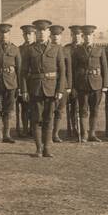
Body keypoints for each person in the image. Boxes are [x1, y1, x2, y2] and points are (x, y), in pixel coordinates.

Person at [20, 19, 63, 158]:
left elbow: (62, 71)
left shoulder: (57, 49)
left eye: (44, 31)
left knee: (49, 118)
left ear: (48, 33)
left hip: (51, 89)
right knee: (36, 119)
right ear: (36, 33)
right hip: (35, 88)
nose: (41, 34)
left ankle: (47, 148)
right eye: (39, 31)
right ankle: (38, 149)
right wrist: (24, 90)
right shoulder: (29, 49)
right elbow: (23, 72)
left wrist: (60, 90)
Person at [72, 24, 108, 143]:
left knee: (95, 109)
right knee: (83, 109)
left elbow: (104, 68)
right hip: (82, 84)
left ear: (93, 36)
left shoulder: (99, 50)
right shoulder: (77, 51)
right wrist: (74, 86)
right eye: (85, 35)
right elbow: (73, 69)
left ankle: (92, 133)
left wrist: (105, 85)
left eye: (90, 35)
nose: (88, 37)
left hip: (97, 83)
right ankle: (84, 134)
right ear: (83, 36)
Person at [0, 23, 22, 143]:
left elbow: (19, 69)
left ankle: (7, 135)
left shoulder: (15, 49)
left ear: (9, 34)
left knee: (8, 109)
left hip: (11, 83)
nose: (4, 35)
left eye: (6, 33)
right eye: (1, 33)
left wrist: (20, 87)